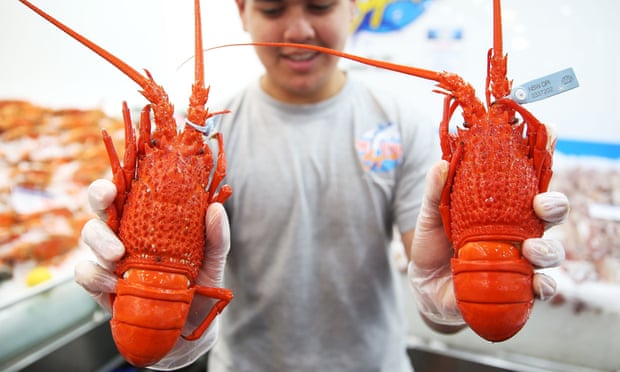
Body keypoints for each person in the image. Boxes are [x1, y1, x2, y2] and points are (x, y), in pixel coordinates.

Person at [75, 0, 569, 371]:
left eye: (320, 4)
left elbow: (432, 264)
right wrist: (181, 335)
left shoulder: (401, 122)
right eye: (272, 7)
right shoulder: (207, 140)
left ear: (355, 7)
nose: (299, 29)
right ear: (242, 12)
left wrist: (443, 300)